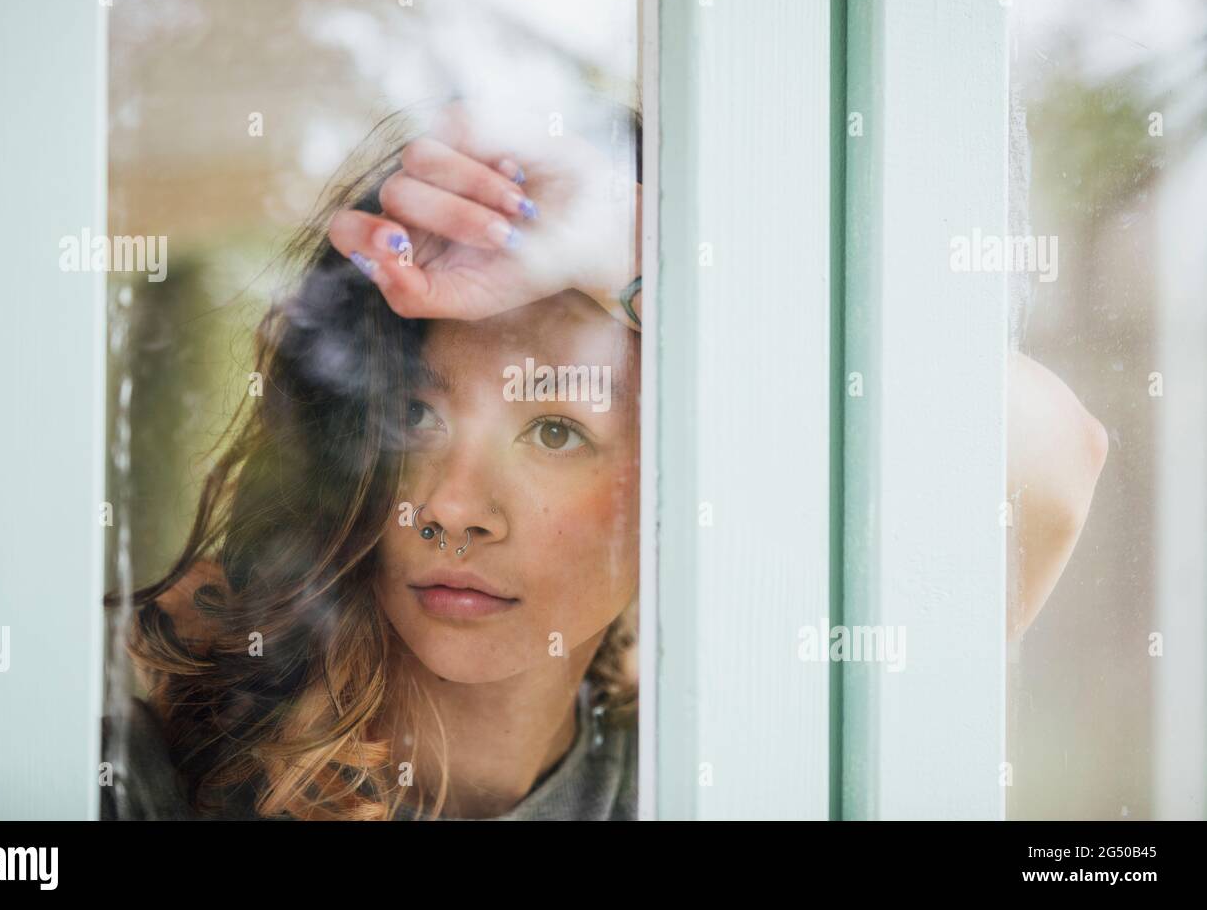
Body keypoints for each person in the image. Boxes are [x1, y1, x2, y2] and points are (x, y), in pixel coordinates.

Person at [102, 96, 1106, 821]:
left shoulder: (708, 770)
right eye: (412, 417)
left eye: (556, 429)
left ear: (675, 484)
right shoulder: (141, 760)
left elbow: (1050, 455)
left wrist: (624, 247)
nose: (454, 509)